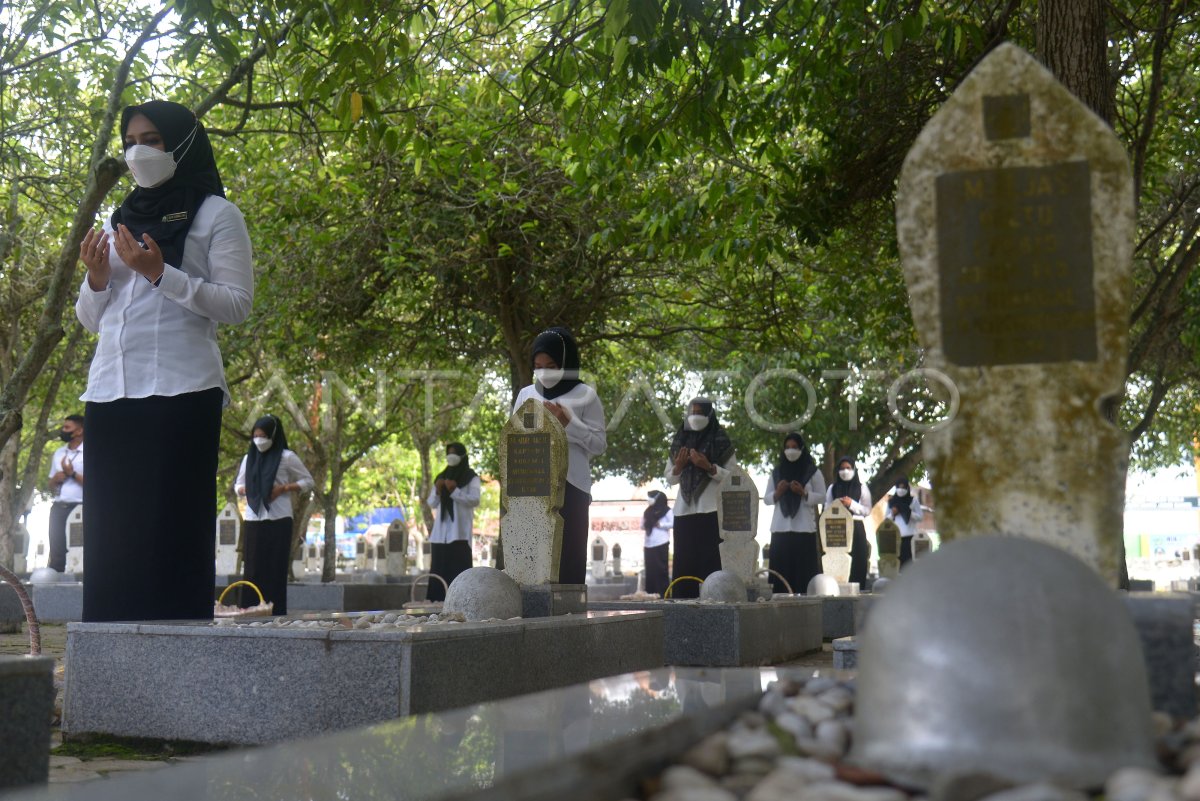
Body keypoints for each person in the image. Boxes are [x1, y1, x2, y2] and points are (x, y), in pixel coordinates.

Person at [76, 100, 253, 621]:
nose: (139, 151)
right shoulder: (119, 218)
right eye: (131, 141)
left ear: (182, 142)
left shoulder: (217, 214)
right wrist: (97, 279)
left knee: (170, 530)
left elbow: (237, 304)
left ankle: (175, 663)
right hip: (110, 391)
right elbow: (94, 319)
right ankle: (109, 661)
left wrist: (160, 273)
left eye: (152, 139)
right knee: (112, 532)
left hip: (180, 389)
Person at [511, 327, 606, 584]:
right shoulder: (526, 394)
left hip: (571, 486)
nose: (544, 372)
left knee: (567, 556)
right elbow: (515, 437)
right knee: (534, 558)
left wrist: (567, 424)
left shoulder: (585, 395)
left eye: (551, 365)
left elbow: (598, 444)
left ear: (565, 362)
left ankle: (568, 615)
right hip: (533, 486)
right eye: (538, 366)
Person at [234, 415, 313, 615]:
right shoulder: (248, 458)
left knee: (275, 567)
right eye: (256, 436)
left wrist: (283, 487)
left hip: (279, 518)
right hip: (254, 517)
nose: (259, 440)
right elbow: (238, 485)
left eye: (263, 436)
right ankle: (250, 610)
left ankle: (275, 611)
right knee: (252, 567)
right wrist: (247, 490)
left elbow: (307, 481)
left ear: (273, 436)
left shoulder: (287, 457)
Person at [664, 398, 736, 598]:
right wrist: (678, 467)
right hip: (684, 510)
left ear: (709, 415)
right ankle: (682, 605)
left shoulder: (720, 439)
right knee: (684, 561)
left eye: (700, 412)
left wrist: (709, 467)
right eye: (692, 412)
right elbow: (669, 477)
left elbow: (733, 477)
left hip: (711, 510)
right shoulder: (680, 439)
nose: (695, 416)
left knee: (709, 561)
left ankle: (713, 601)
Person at [762, 432, 825, 594]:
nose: (791, 451)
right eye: (788, 447)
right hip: (780, 529)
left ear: (802, 449)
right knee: (781, 574)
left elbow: (822, 496)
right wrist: (778, 492)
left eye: (795, 447)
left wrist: (803, 493)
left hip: (803, 530)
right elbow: (767, 499)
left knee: (803, 573)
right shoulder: (776, 472)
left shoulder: (812, 472)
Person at [426, 443, 481, 600]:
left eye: (455, 453)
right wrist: (438, 490)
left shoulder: (471, 478)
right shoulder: (441, 477)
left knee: (458, 571)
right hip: (440, 535)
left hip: (459, 534)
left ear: (463, 456)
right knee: (438, 569)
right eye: (448, 453)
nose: (451, 456)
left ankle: (460, 601)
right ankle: (436, 603)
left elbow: (474, 500)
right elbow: (431, 503)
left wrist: (454, 491)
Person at [825, 456, 873, 586]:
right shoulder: (832, 488)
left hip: (856, 527)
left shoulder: (862, 488)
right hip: (837, 528)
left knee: (858, 561)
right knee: (839, 563)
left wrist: (851, 504)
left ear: (854, 469)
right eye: (841, 468)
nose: (845, 471)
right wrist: (838, 505)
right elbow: (827, 509)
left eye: (848, 468)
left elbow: (867, 510)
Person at [46, 415, 85, 573]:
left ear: (79, 430)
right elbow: (50, 486)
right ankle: (56, 586)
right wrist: (55, 479)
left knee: (80, 551)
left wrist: (72, 474)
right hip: (59, 506)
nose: (63, 431)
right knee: (56, 550)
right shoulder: (59, 452)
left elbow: (97, 484)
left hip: (81, 508)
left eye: (67, 428)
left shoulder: (90, 452)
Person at [886, 477, 925, 566]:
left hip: (910, 537)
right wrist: (893, 513)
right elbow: (886, 520)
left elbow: (920, 517)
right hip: (895, 537)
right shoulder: (891, 502)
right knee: (897, 564)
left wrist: (908, 512)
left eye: (903, 487)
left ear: (907, 488)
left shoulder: (913, 501)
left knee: (909, 564)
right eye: (899, 487)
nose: (901, 489)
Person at [642, 490, 673, 596]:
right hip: (648, 543)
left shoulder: (667, 510)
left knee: (661, 569)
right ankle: (650, 592)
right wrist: (647, 524)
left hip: (661, 542)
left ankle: (663, 593)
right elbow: (642, 525)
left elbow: (673, 523)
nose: (649, 499)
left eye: (651, 497)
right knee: (650, 570)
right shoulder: (647, 511)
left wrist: (661, 524)